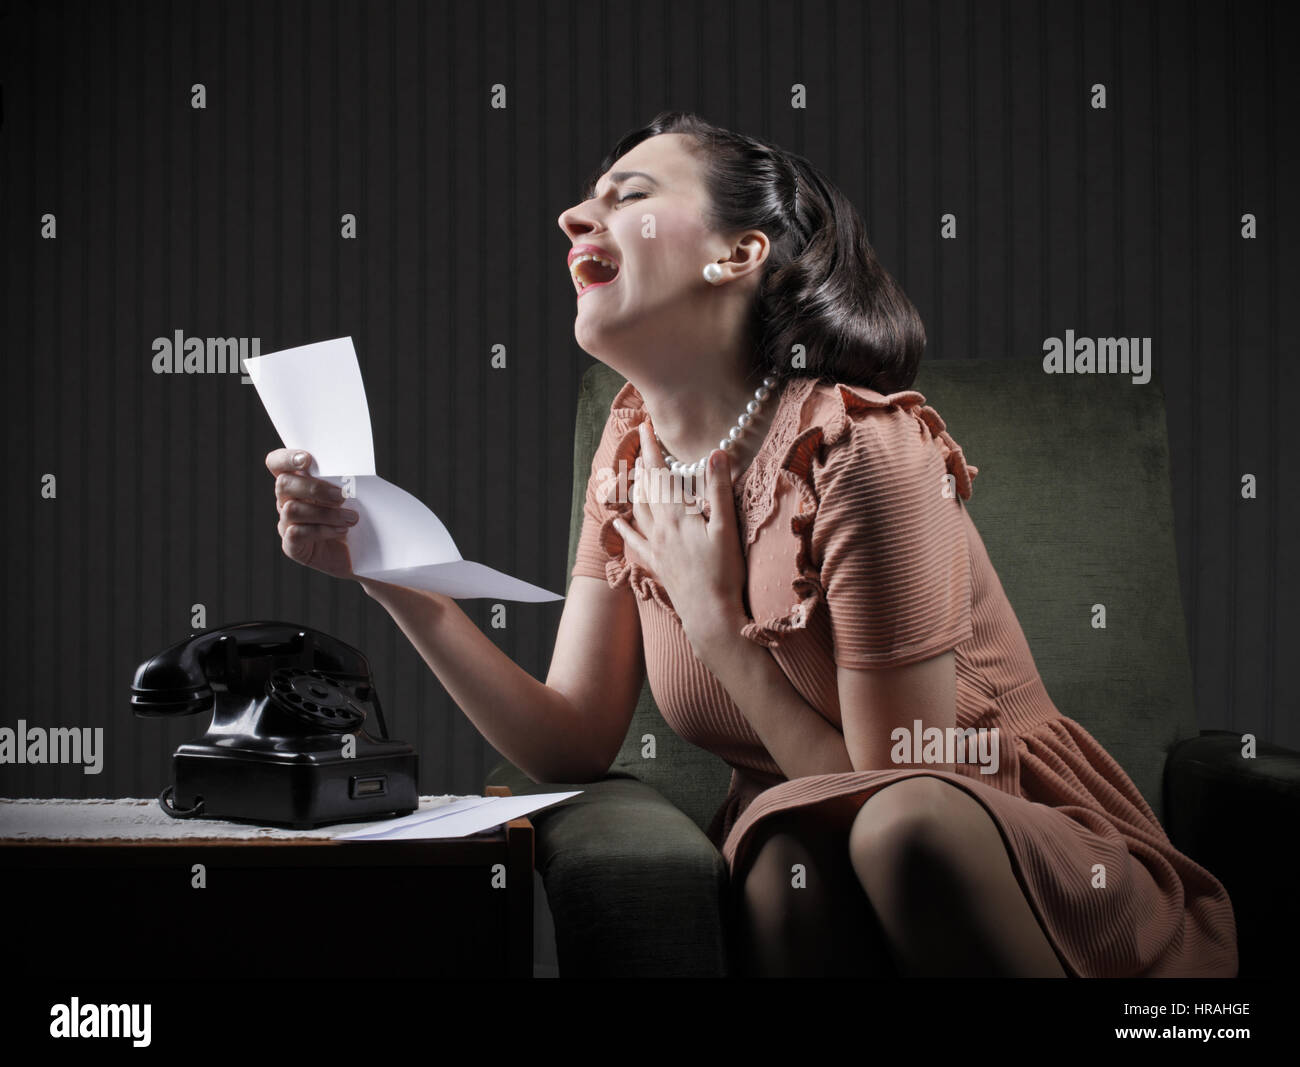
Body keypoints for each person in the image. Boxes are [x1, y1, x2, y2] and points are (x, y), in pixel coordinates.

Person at [265, 110, 1238, 979]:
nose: (571, 215)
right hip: (804, 822)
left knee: (891, 828)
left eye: (628, 195)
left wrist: (717, 620)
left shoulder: (866, 449)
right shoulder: (631, 440)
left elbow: (901, 779)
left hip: (1001, 841)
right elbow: (570, 739)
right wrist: (396, 580)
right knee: (784, 865)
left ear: (735, 256)